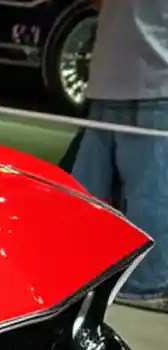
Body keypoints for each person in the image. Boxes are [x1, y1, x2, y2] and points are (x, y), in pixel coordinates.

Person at [71, 0, 168, 311]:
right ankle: (144, 283)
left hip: (113, 73)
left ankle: (73, 272)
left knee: (88, 189)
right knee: (149, 192)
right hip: (153, 78)